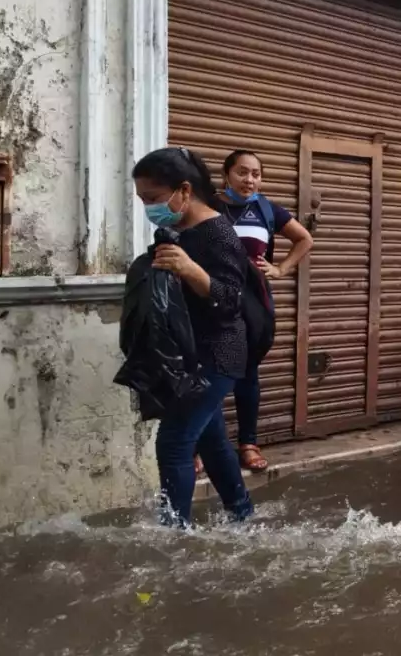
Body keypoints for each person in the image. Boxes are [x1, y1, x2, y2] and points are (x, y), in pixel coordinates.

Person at [131, 146, 254, 526]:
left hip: (218, 354)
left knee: (174, 441)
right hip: (191, 353)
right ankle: (243, 515)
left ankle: (173, 537)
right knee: (211, 440)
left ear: (184, 191)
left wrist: (190, 270)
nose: (148, 207)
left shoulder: (218, 232)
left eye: (152, 198)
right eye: (142, 200)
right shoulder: (178, 229)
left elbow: (232, 300)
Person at [213, 149, 314, 472]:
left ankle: (248, 444)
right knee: (206, 371)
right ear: (227, 174)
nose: (250, 180)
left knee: (248, 372)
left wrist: (280, 269)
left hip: (254, 303)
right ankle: (201, 444)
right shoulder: (209, 207)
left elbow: (304, 239)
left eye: (256, 174)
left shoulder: (267, 209)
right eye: (242, 172)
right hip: (211, 298)